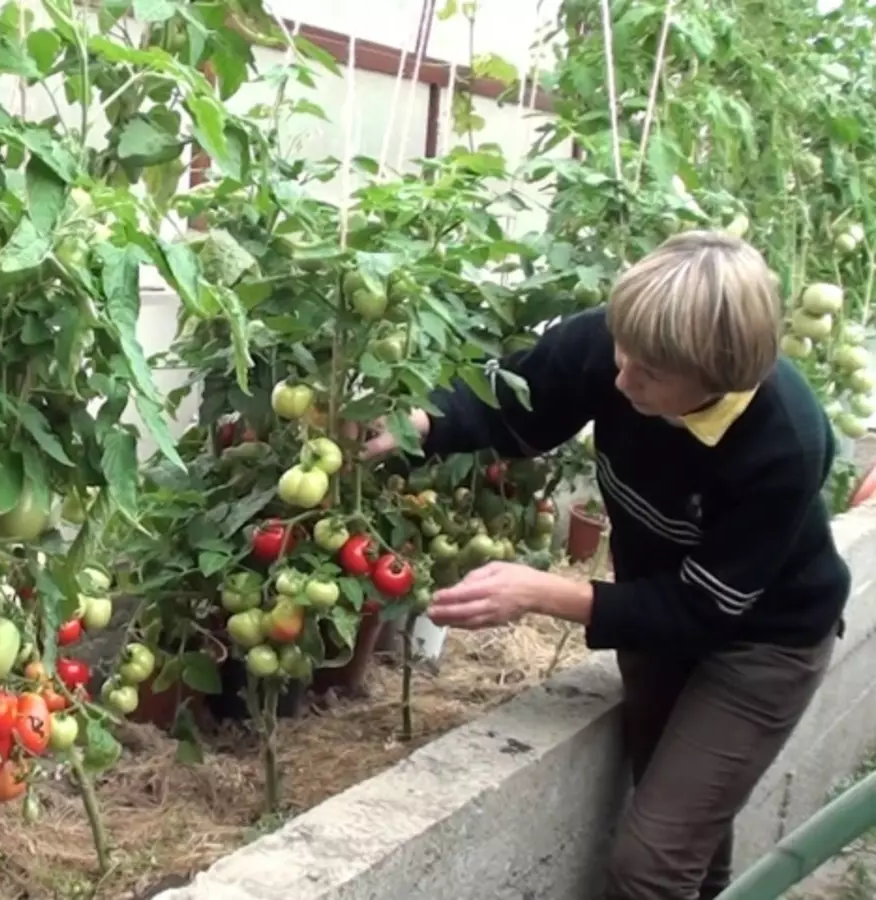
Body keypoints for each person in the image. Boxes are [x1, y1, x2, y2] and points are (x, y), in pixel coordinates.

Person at [363, 231, 851, 900]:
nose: (621, 379)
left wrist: (541, 591)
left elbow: (703, 609)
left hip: (761, 645)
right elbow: (519, 404)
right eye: (623, 352)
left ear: (719, 375)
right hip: (655, 616)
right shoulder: (622, 344)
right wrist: (419, 422)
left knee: (651, 865)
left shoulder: (780, 444)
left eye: (649, 374)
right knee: (681, 833)